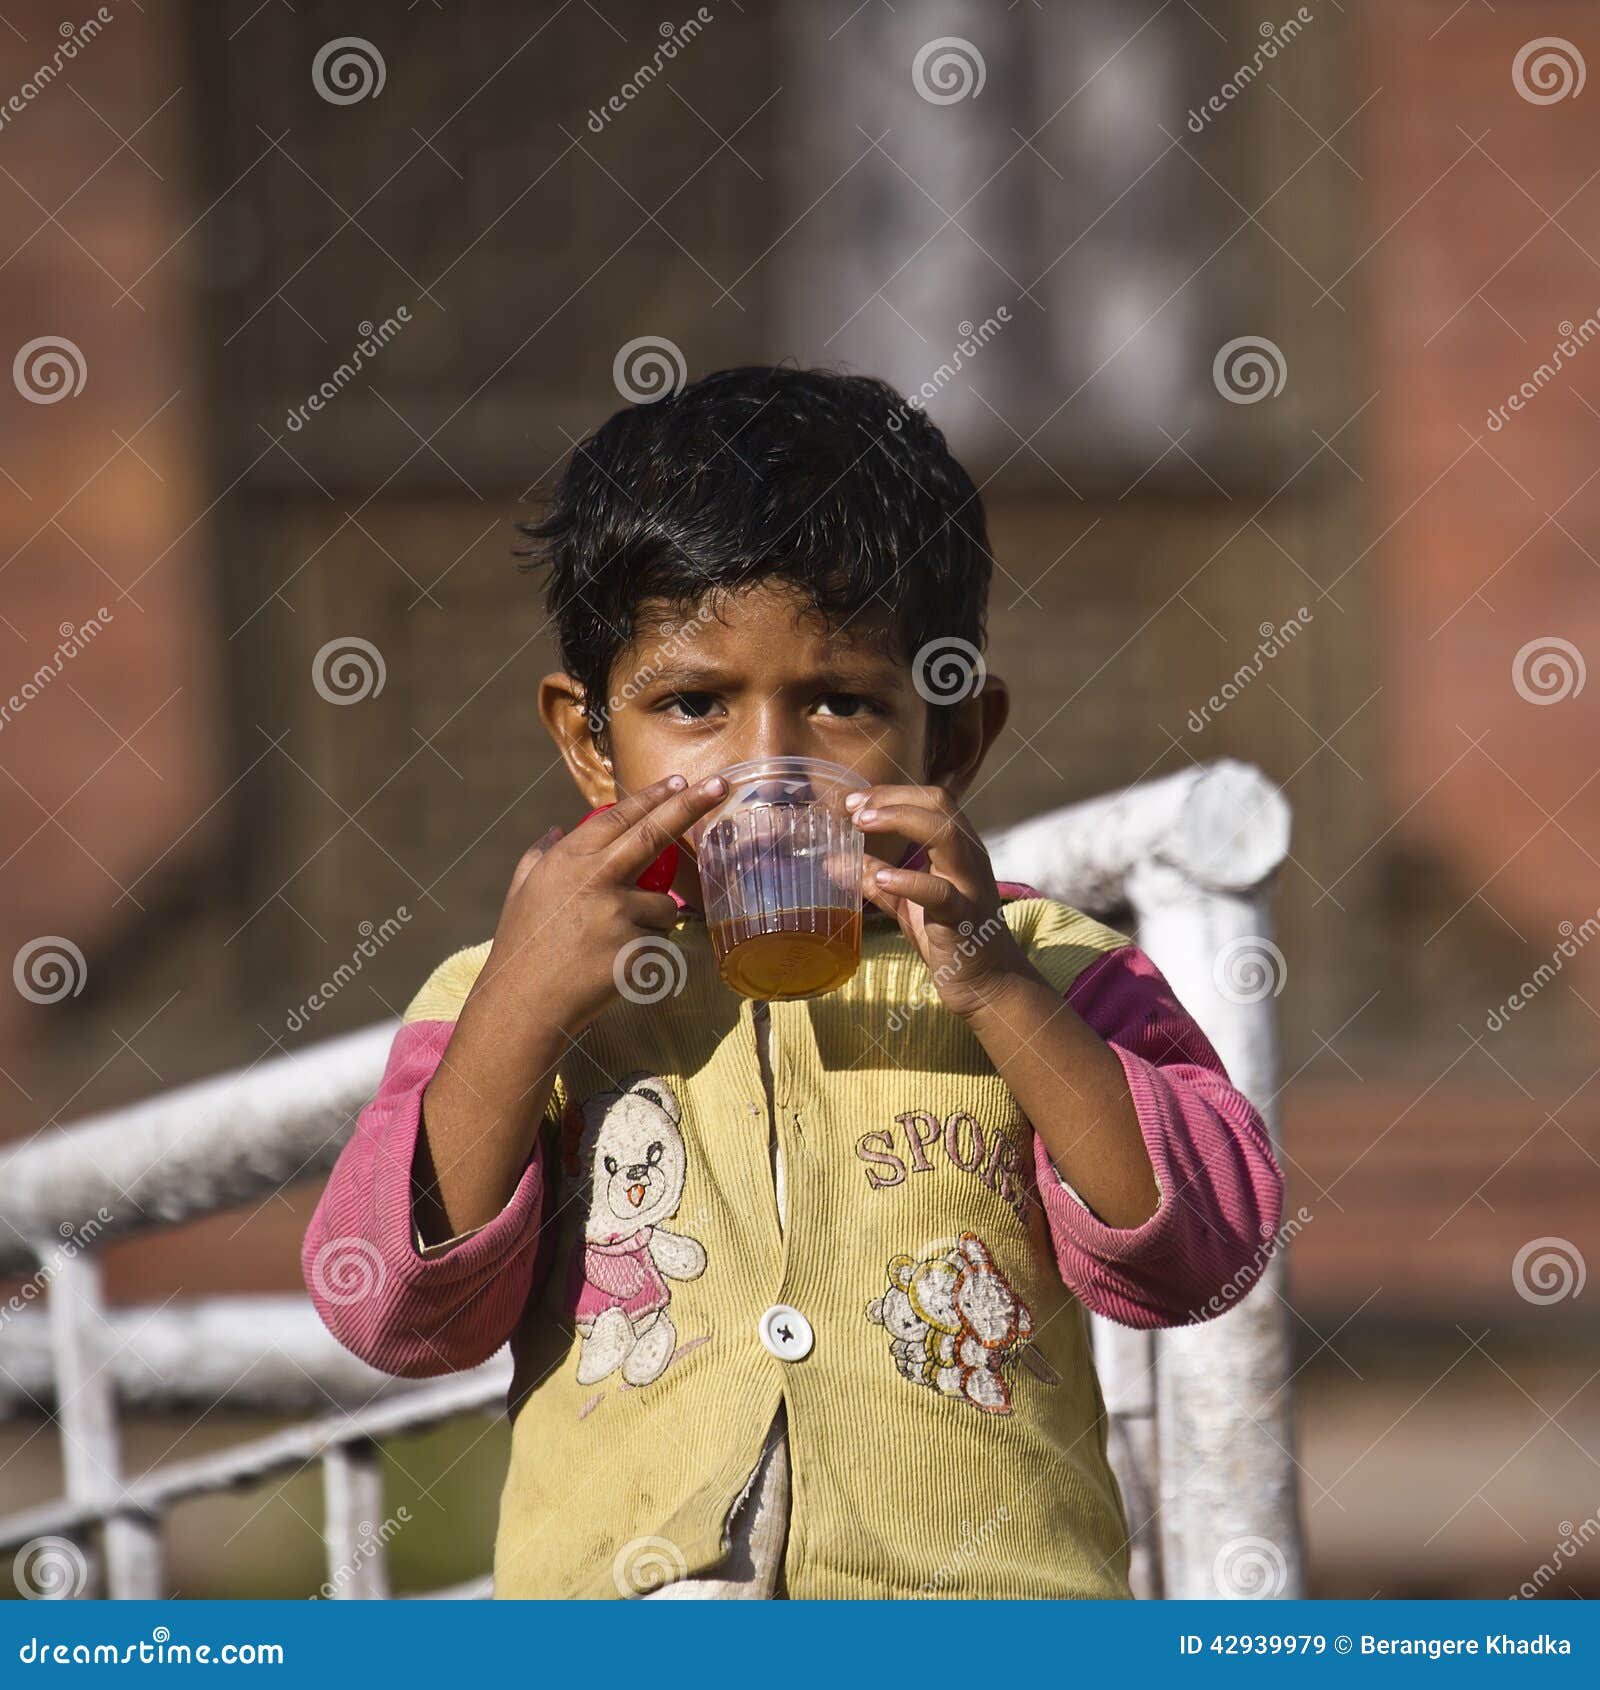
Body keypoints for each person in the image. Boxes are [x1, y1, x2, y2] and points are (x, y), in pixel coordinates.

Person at [302, 364, 1285, 1600]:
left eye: (840, 701)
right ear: (589, 741)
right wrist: (519, 1011)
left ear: (955, 739)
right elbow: (394, 1310)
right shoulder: (505, 992)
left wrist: (1000, 991)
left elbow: (1205, 1253)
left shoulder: (1053, 969)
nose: (766, 765)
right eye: (694, 702)